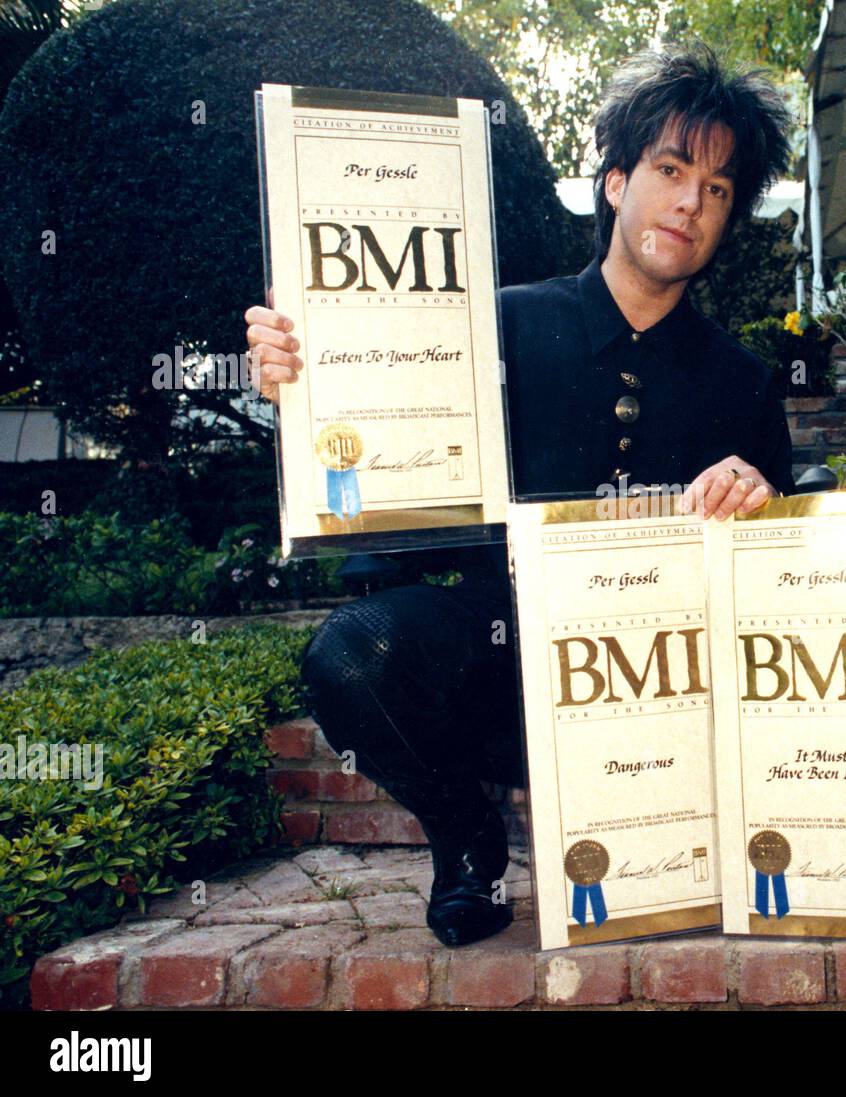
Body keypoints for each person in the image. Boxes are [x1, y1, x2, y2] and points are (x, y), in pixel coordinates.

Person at [244, 43, 795, 946]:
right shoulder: (493, 325)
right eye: (670, 169)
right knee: (352, 652)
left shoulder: (743, 383)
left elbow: (778, 591)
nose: (692, 202)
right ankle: (467, 838)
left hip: (667, 697)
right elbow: (387, 461)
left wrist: (763, 499)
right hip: (508, 679)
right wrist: (307, 385)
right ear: (615, 183)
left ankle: (674, 842)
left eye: (720, 189)